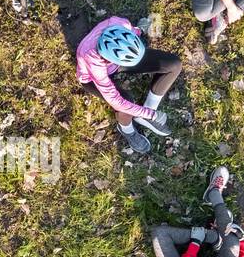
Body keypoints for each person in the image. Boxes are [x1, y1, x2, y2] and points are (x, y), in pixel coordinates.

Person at [75, 16, 183, 155]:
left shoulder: (120, 23)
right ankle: (127, 129)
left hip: (118, 61)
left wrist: (137, 33)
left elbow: (134, 31)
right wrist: (151, 115)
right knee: (126, 103)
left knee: (174, 65)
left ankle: (147, 111)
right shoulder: (91, 57)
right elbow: (116, 101)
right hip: (92, 78)